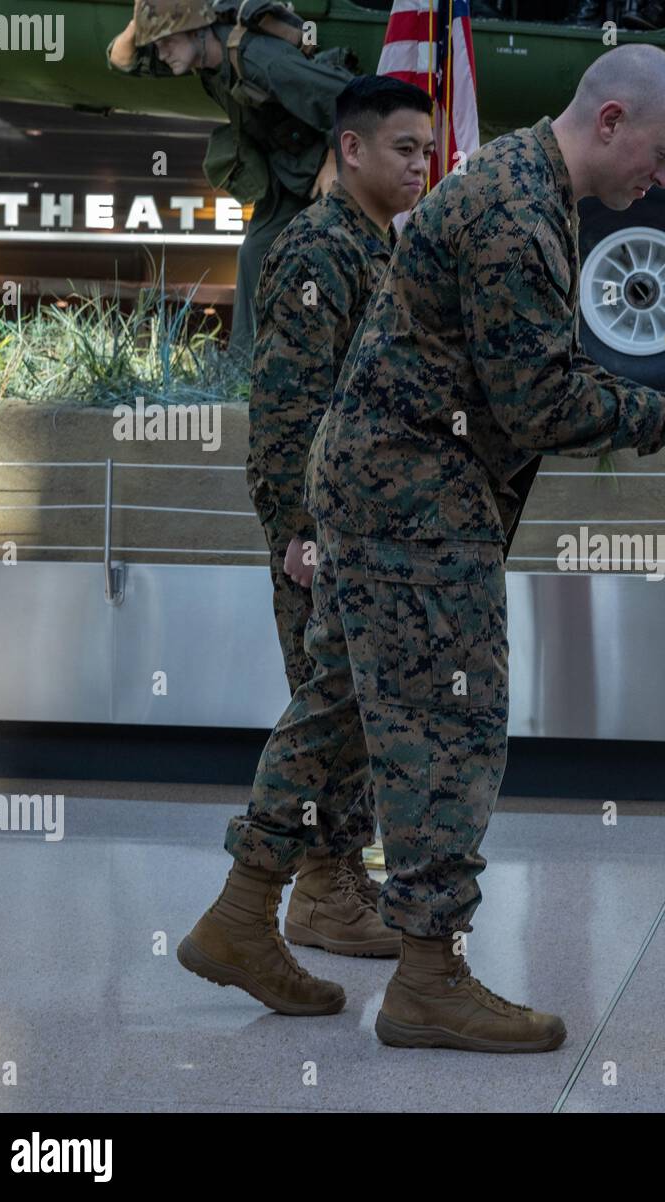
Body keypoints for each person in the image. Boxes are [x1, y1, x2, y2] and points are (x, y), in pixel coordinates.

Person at [177, 43, 665, 1048]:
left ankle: (240, 913)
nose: (664, 180)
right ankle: (428, 976)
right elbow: (538, 399)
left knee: (341, 704)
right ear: (612, 120)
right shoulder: (511, 206)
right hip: (414, 501)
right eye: (661, 155)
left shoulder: (524, 189)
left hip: (384, 487)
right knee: (451, 725)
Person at [239, 76, 436, 970]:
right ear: (351, 149)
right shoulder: (321, 250)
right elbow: (288, 407)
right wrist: (298, 528)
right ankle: (319, 890)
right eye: (405, 148)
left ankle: (342, 875)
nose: (421, 164)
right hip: (323, 531)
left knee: (354, 705)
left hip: (368, 525)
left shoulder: (377, 245)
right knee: (328, 702)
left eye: (427, 149)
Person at [107, 0, 355, 354]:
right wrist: (143, 18)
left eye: (166, 43)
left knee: (341, 265)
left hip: (324, 167)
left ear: (195, 30)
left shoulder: (258, 58)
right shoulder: (198, 56)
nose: (161, 55)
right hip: (288, 170)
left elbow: (348, 96)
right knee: (255, 255)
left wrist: (335, 159)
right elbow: (121, 60)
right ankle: (245, 370)